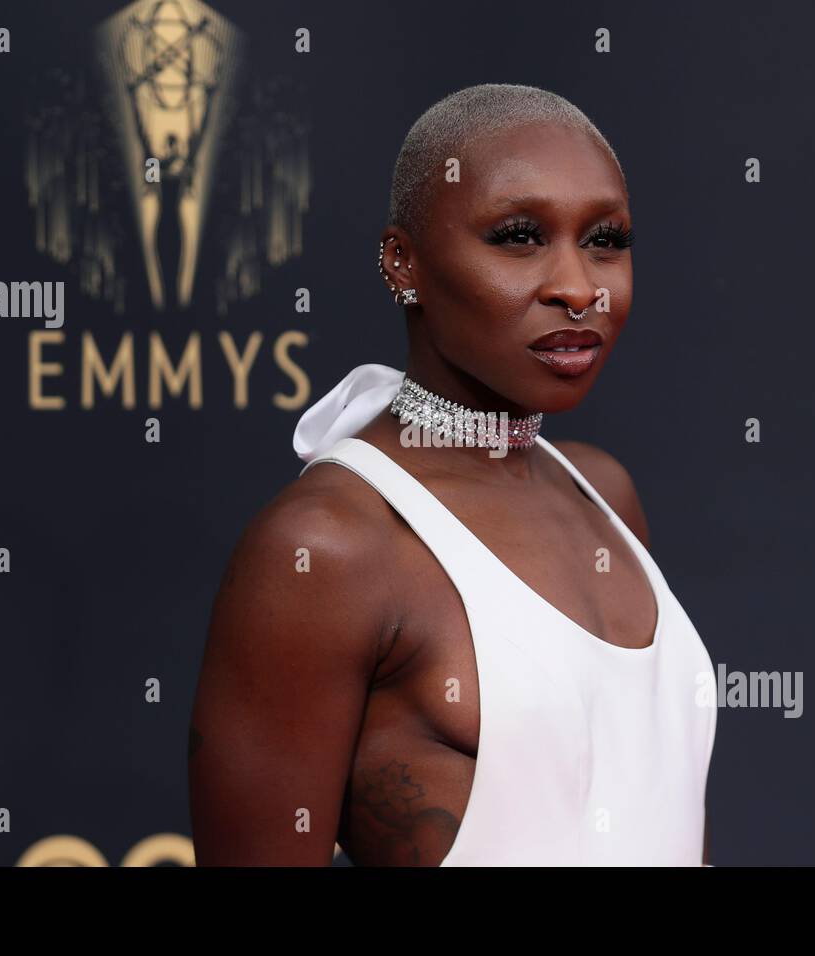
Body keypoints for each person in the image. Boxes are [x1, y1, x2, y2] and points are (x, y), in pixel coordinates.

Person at [188, 83, 717, 866]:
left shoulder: (606, 495)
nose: (581, 287)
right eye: (518, 237)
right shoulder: (327, 549)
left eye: (606, 239)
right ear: (403, 263)